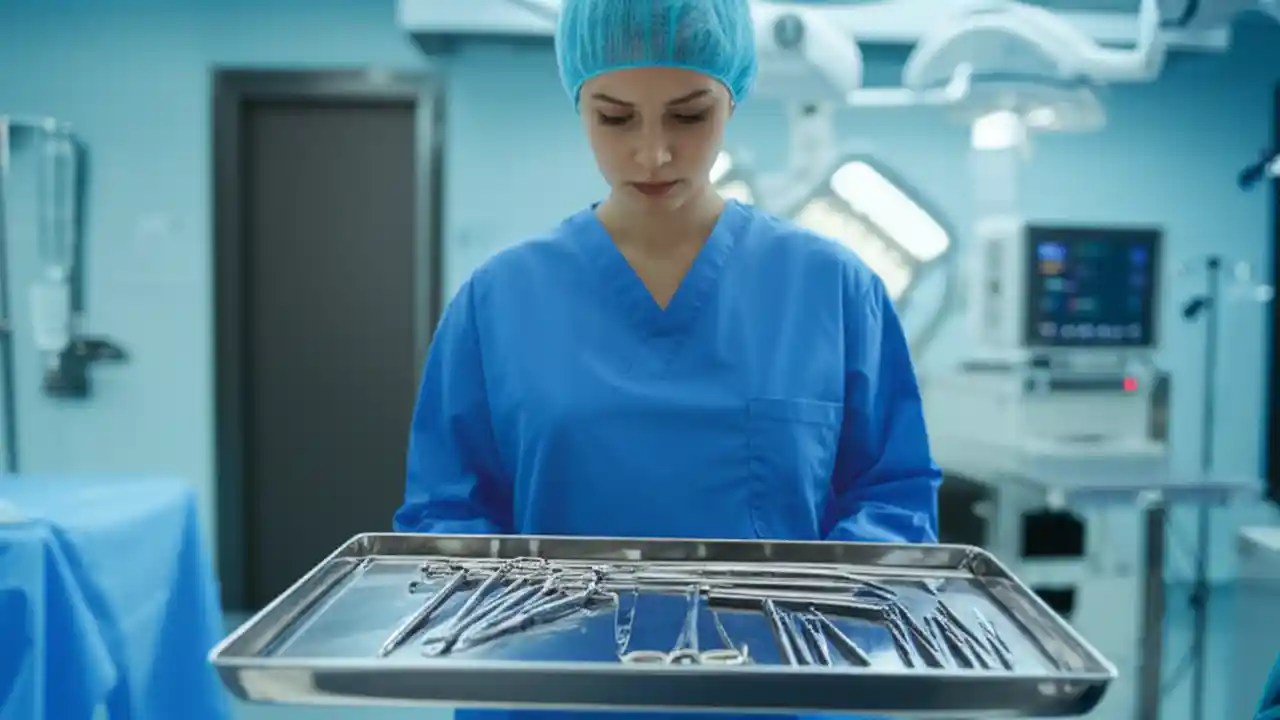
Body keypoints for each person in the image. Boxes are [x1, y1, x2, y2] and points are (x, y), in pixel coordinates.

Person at [393, 1, 941, 719]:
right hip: (549, 695)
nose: (652, 153)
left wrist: (819, 602)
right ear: (579, 104)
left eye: (689, 115)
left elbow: (893, 499)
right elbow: (446, 514)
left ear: (732, 98)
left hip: (777, 695)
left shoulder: (832, 289)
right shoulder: (498, 299)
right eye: (615, 118)